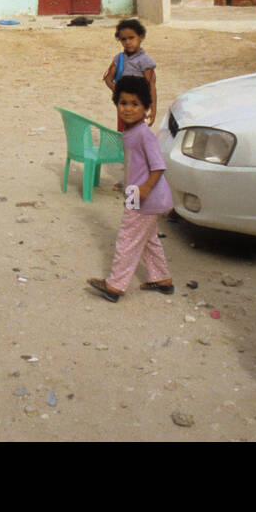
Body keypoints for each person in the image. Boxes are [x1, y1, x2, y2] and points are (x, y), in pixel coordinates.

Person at [86, 75, 174, 301]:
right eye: (123, 103)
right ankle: (162, 278)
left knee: (127, 238)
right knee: (148, 239)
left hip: (144, 196)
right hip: (138, 194)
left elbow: (158, 166)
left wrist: (144, 189)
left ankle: (115, 285)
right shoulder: (130, 132)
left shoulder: (144, 134)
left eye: (135, 104)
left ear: (146, 107)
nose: (127, 109)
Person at [101, 18, 157, 129]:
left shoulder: (145, 62)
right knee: (123, 132)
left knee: (136, 133)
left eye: (131, 38)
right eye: (123, 39)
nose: (127, 42)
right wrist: (117, 89)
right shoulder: (119, 59)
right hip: (123, 105)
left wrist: (153, 109)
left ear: (141, 37)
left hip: (138, 105)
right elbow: (108, 79)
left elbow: (151, 86)